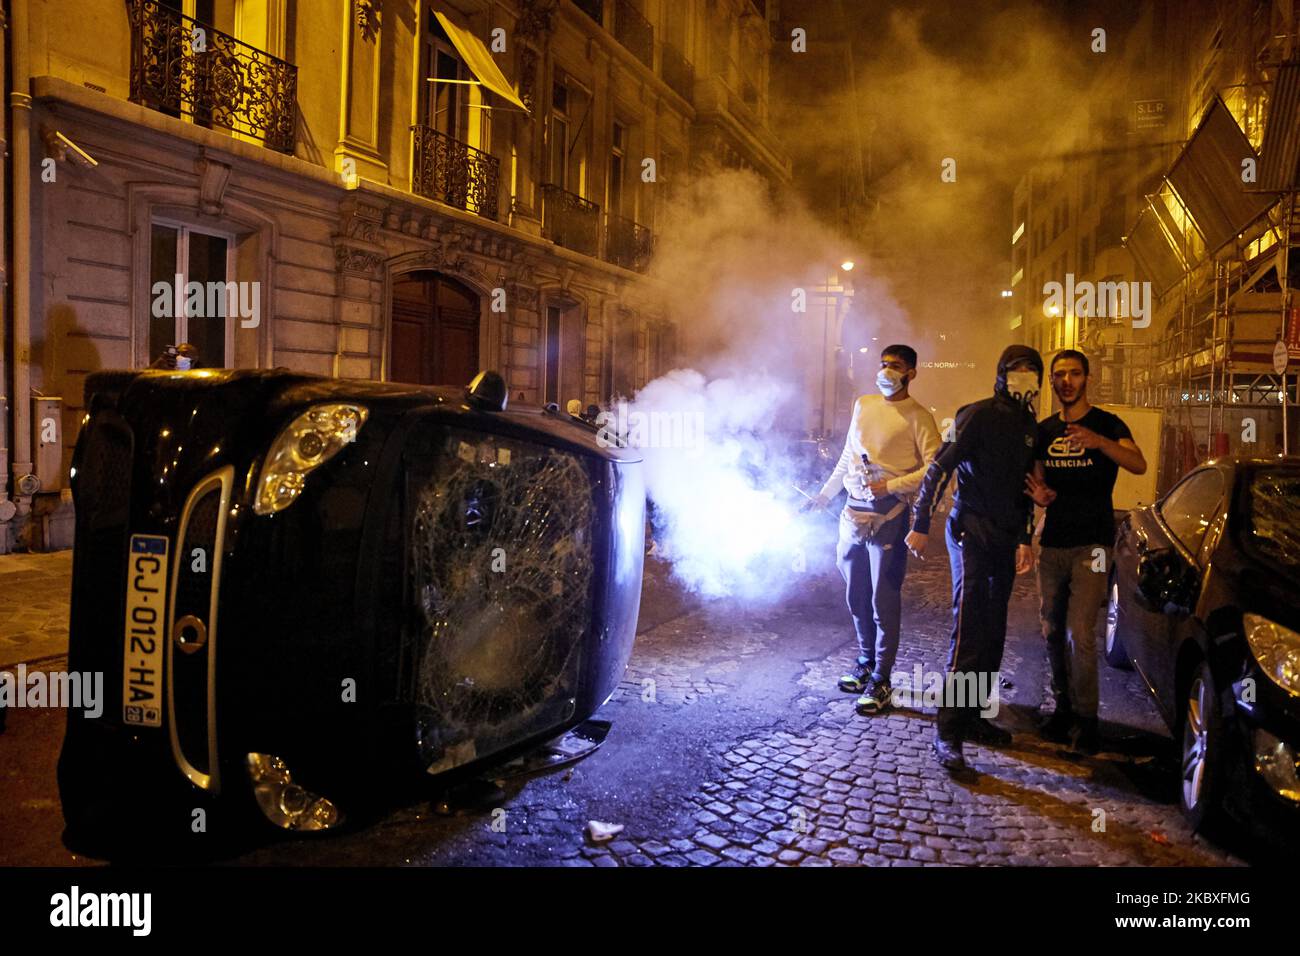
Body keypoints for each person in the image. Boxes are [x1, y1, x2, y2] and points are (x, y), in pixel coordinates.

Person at [906, 345, 1043, 772]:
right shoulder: (976, 415)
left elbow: (1026, 490)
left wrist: (1024, 538)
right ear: (1002, 373)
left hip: (1004, 538)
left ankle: (975, 715)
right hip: (970, 531)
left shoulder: (1029, 424)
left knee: (994, 630)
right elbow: (939, 467)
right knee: (969, 628)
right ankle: (948, 731)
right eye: (1017, 369)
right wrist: (921, 521)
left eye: (1032, 370)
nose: (1025, 375)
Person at [805, 345, 942, 715]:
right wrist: (823, 496)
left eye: (896, 366)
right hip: (852, 514)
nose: (886, 371)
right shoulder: (863, 405)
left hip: (889, 517)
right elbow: (847, 457)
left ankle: (882, 678)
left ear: (912, 373)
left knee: (884, 600)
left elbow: (935, 468)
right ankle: (865, 661)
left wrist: (892, 486)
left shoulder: (919, 417)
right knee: (855, 595)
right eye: (883, 364)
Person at [1025, 349, 1146, 754]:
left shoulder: (1108, 424)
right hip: (1053, 544)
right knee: (1052, 629)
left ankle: (1087, 721)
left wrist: (1099, 442)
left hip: (1093, 545)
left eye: (1074, 374)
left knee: (1080, 632)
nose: (1067, 381)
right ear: (1052, 381)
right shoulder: (1044, 431)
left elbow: (1138, 464)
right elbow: (1038, 482)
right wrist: (1040, 495)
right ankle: (1062, 709)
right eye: (1059, 374)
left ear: (1087, 379)